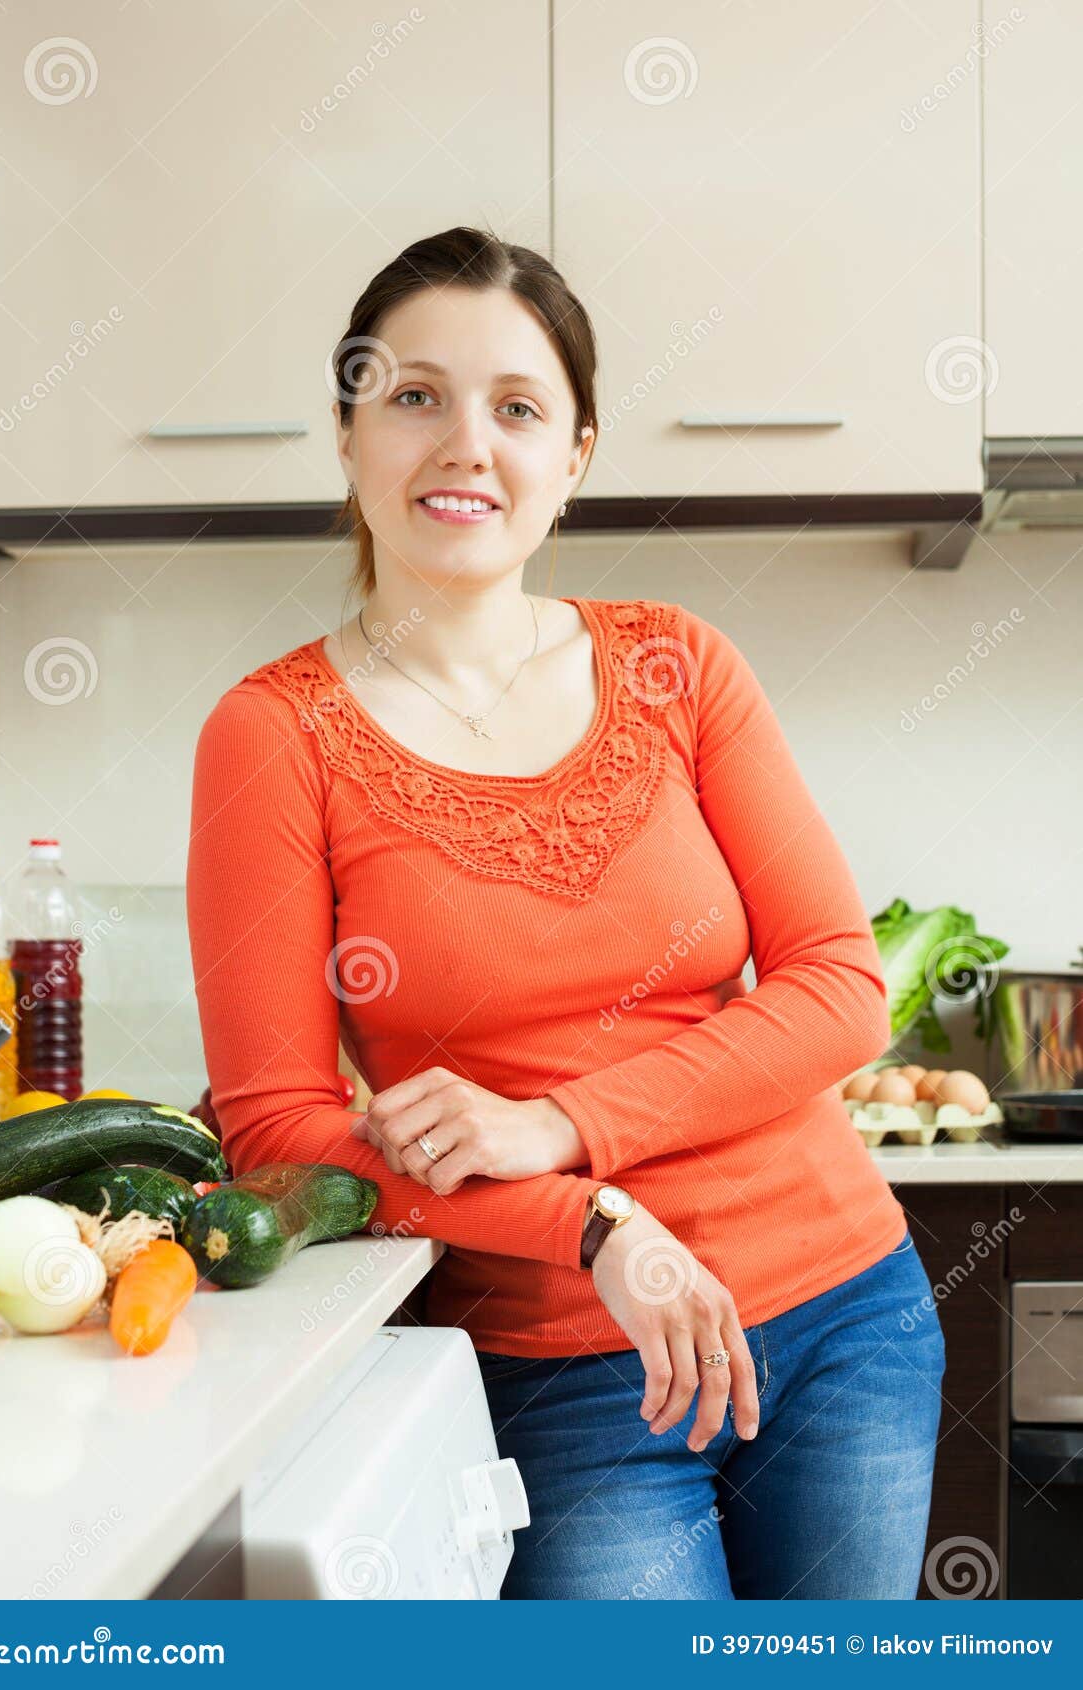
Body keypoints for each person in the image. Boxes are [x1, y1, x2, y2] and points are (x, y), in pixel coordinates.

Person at [186, 225, 945, 1601]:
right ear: (347, 434)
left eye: (517, 408)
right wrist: (589, 1223)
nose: (465, 446)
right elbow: (279, 1135)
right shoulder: (271, 734)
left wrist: (559, 1125)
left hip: (847, 1318)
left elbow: (841, 986)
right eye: (415, 396)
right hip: (564, 1371)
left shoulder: (678, 665)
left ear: (576, 456)